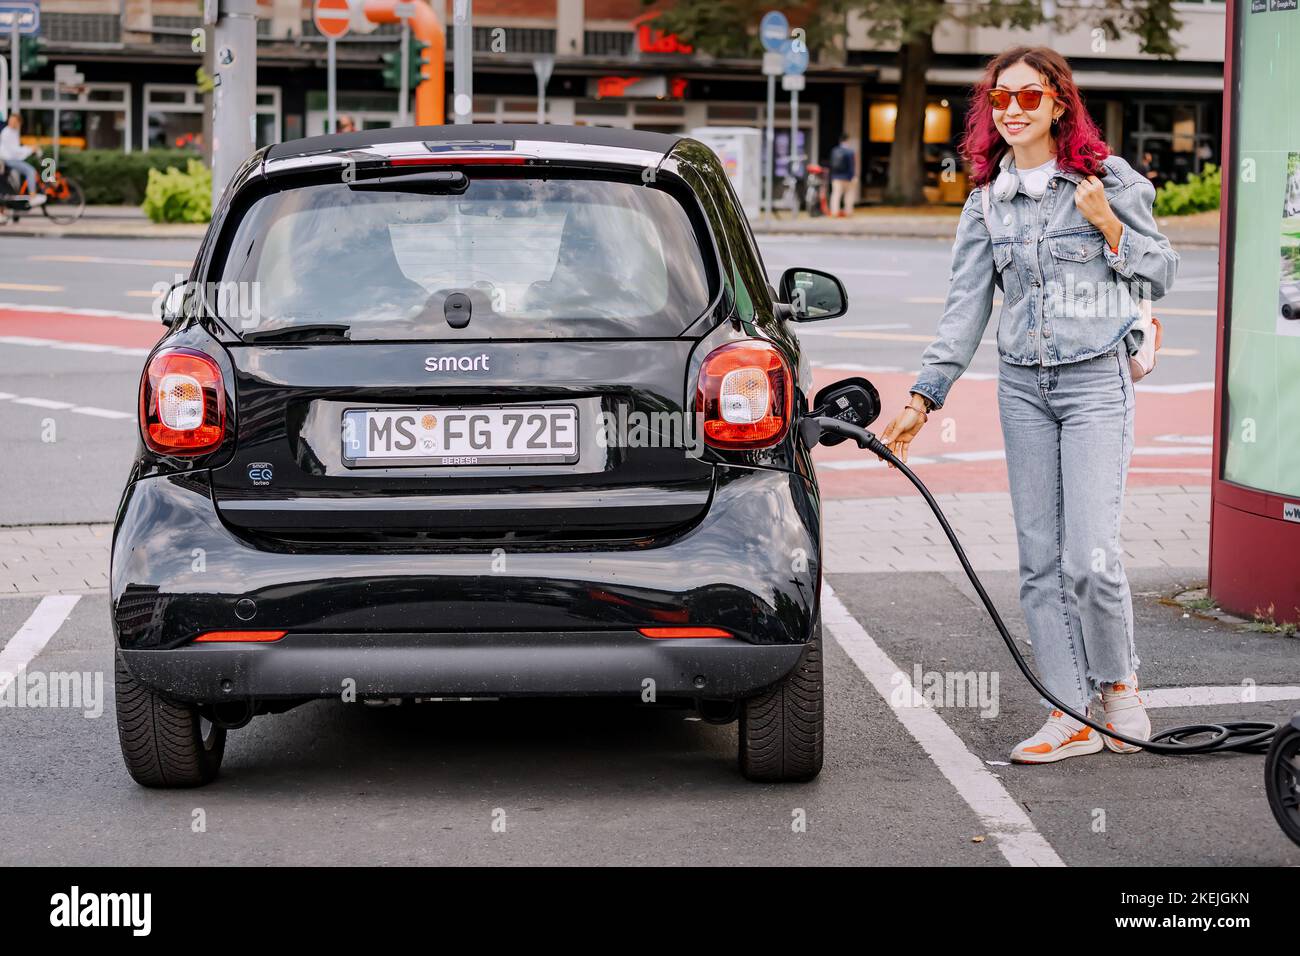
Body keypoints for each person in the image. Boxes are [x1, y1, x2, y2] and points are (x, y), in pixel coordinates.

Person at [879, 46, 1178, 764]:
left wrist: (1109, 225)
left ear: (1058, 104)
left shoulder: (1105, 178)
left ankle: (1120, 689)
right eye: (1001, 98)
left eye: (1028, 97)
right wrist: (925, 397)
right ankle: (1069, 713)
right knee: (1039, 562)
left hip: (1093, 384)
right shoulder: (987, 197)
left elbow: (1161, 271)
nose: (1013, 110)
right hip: (1023, 387)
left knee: (1091, 557)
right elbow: (965, 306)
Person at [0, 113, 46, 205]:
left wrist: (29, 149)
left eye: (13, 121)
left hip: (10, 158)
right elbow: (14, 150)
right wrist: (30, 149)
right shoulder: (7, 132)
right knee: (30, 171)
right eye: (10, 120)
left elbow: (16, 148)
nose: (11, 122)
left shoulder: (13, 132)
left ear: (18, 123)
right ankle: (33, 197)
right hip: (8, 159)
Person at [828, 132, 856, 217]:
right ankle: (848, 211)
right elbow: (851, 166)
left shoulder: (834, 150)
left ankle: (834, 211)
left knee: (836, 194)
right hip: (847, 177)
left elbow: (831, 164)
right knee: (849, 194)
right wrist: (852, 176)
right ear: (847, 141)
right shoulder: (850, 152)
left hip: (836, 177)